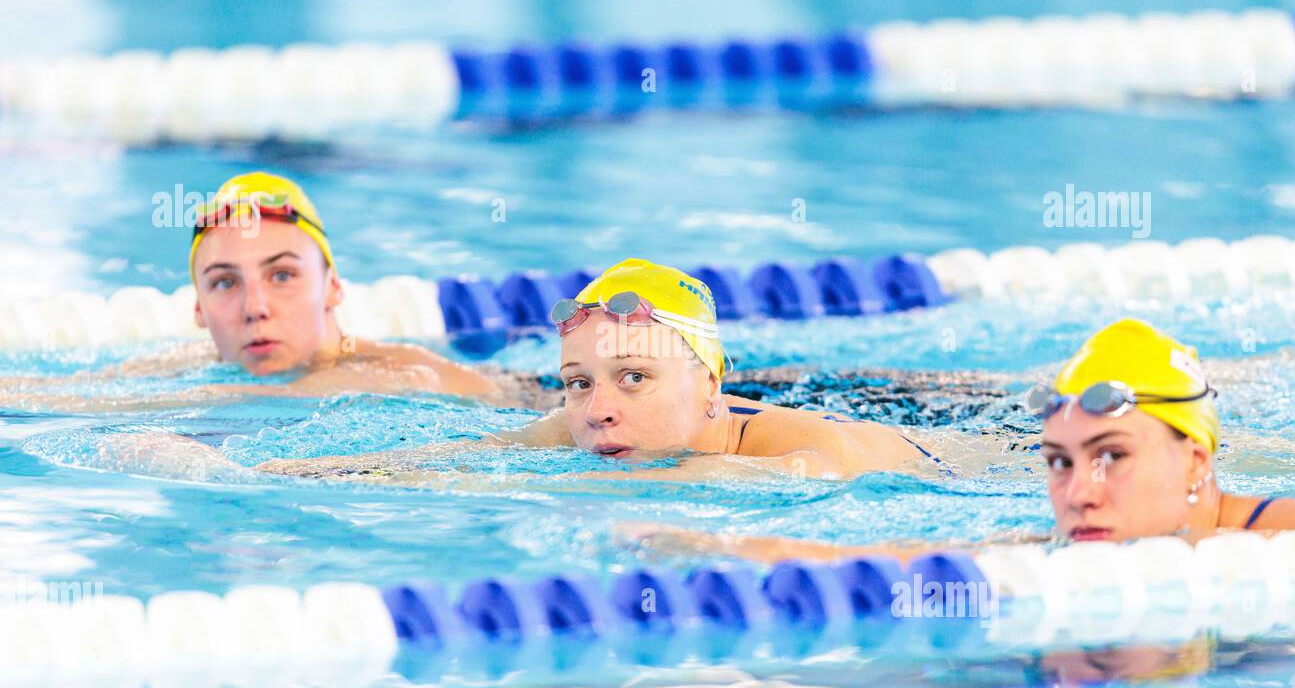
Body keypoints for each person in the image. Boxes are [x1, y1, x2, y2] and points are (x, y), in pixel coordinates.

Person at [628, 318, 1295, 563]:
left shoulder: (1281, 535)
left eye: (1111, 457)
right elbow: (899, 561)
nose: (1077, 493)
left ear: (1196, 461)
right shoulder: (1075, 551)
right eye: (1059, 462)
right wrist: (719, 550)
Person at [256, 258, 948, 483]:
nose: (597, 409)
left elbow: (787, 481)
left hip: (961, 444)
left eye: (634, 377)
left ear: (711, 385)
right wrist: (259, 475)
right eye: (579, 381)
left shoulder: (810, 452)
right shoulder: (583, 426)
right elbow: (452, 460)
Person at [0, 172, 512, 412]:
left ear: (332, 288)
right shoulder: (190, 359)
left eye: (282, 275)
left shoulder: (394, 373)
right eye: (225, 283)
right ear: (199, 311)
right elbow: (85, 387)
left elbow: (169, 402)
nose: (255, 308)